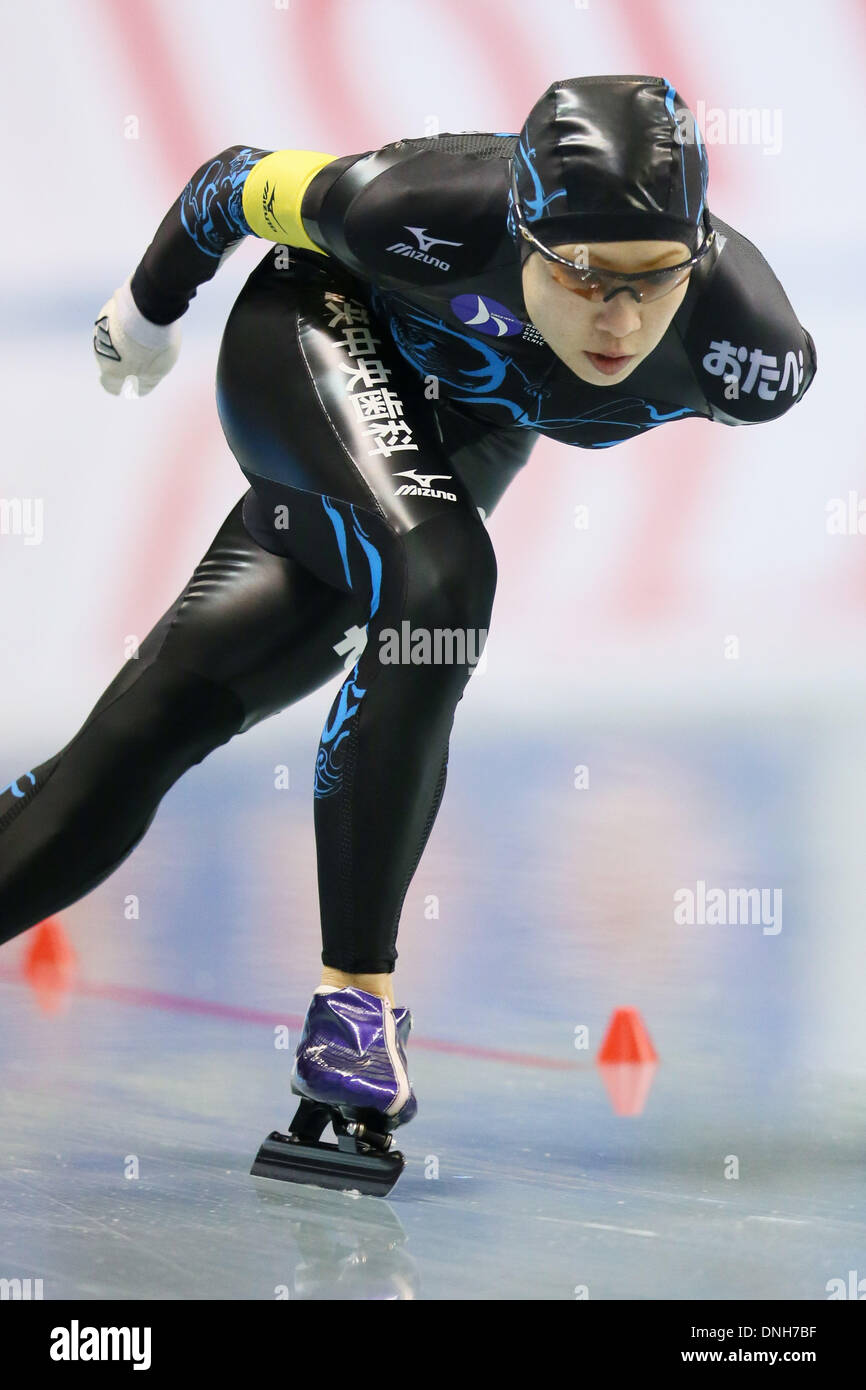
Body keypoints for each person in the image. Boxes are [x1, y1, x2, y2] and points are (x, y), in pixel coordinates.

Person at [0, 75, 816, 1191]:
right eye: (581, 276)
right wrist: (143, 316)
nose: (618, 320)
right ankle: (353, 1004)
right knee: (440, 575)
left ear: (698, 251)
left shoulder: (752, 356)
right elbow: (227, 182)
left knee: (150, 730)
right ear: (519, 234)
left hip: (461, 428)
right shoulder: (412, 207)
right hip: (312, 335)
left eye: (650, 280)